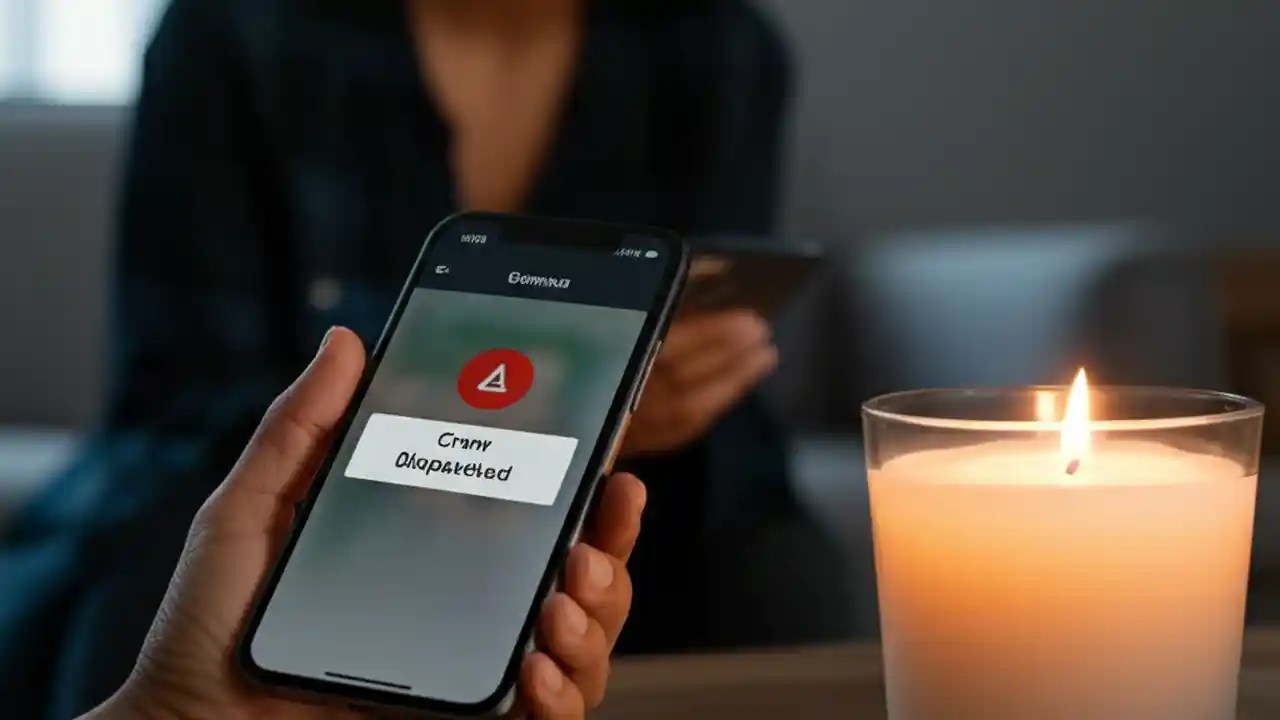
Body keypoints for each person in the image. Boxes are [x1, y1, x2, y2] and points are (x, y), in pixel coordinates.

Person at [1, 0, 839, 715]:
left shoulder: (721, 47)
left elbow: (724, 394)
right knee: (150, 600)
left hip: (630, 487)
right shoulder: (232, 32)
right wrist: (438, 427)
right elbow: (179, 397)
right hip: (291, 491)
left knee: (779, 585)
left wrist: (659, 403)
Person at [78, 327, 643, 719]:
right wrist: (175, 713)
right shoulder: (330, 530)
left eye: (538, 419)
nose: (502, 427)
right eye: (485, 407)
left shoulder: (510, 564)